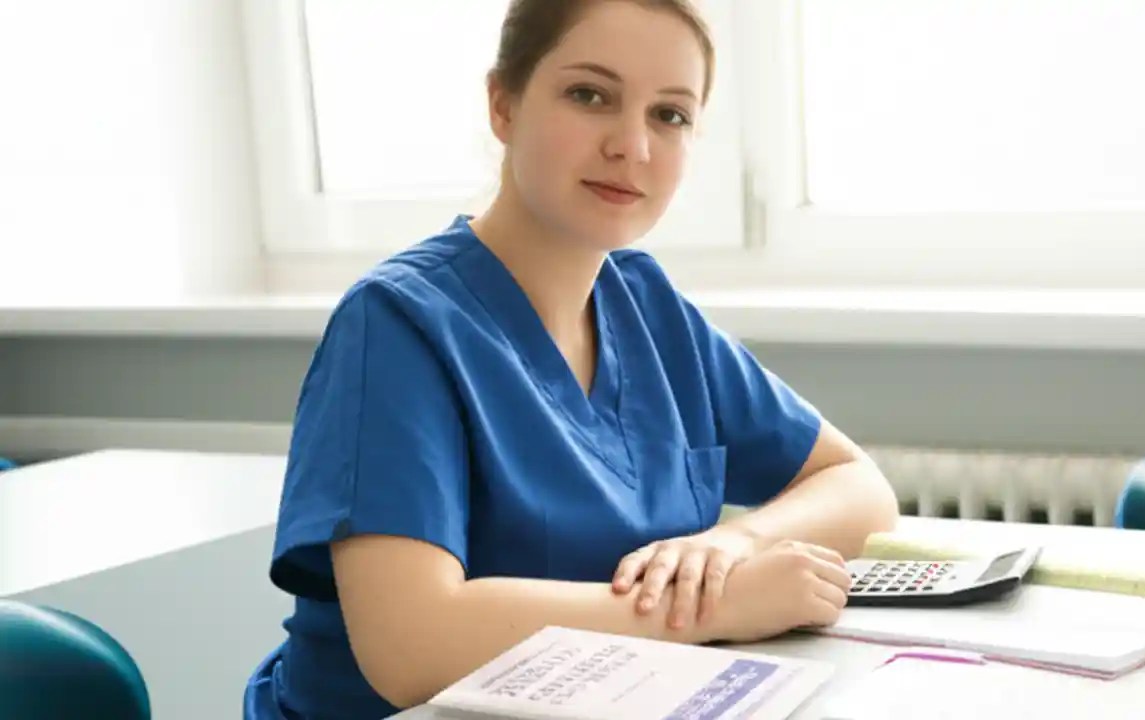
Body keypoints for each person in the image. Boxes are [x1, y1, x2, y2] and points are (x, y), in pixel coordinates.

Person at [244, 1, 900, 717]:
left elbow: (858, 487)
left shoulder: (647, 307)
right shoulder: (398, 324)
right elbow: (411, 646)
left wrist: (730, 547)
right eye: (590, 95)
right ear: (503, 105)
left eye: (670, 116)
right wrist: (708, 610)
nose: (633, 146)